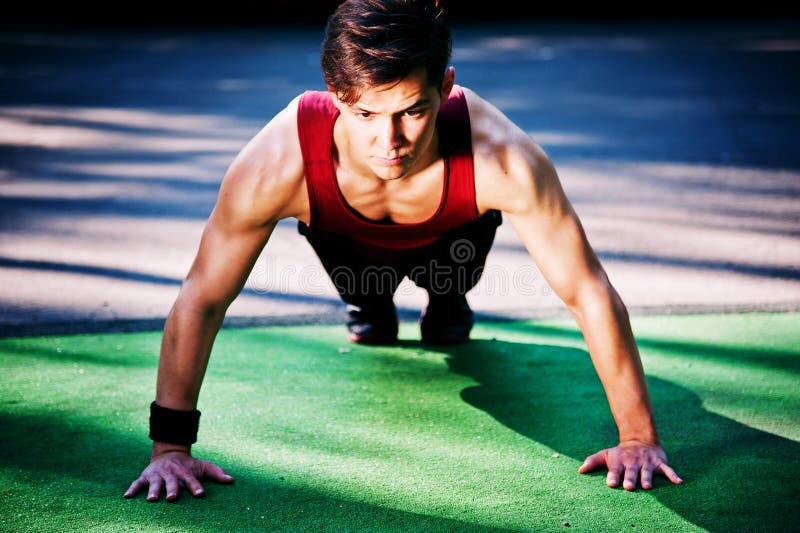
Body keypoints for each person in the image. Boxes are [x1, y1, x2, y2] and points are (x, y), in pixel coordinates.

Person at [124, 0, 682, 502]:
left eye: (412, 111)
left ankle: (447, 300)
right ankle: (371, 305)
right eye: (366, 114)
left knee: (448, 311)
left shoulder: (502, 158)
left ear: (446, 86)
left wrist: (637, 437)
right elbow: (203, 297)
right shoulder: (276, 163)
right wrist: (170, 448)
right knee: (371, 313)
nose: (389, 143)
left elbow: (586, 289)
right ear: (334, 92)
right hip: (349, 250)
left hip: (453, 245)